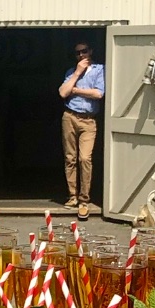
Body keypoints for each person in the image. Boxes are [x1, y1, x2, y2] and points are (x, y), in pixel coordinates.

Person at [58, 40, 105, 219]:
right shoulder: (71, 72)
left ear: (90, 51)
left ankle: (84, 198)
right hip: (69, 116)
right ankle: (72, 196)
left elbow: (98, 93)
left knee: (85, 158)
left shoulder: (100, 70)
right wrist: (77, 73)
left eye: (84, 52)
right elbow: (63, 92)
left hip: (88, 120)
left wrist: (75, 90)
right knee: (70, 158)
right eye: (77, 53)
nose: (81, 56)